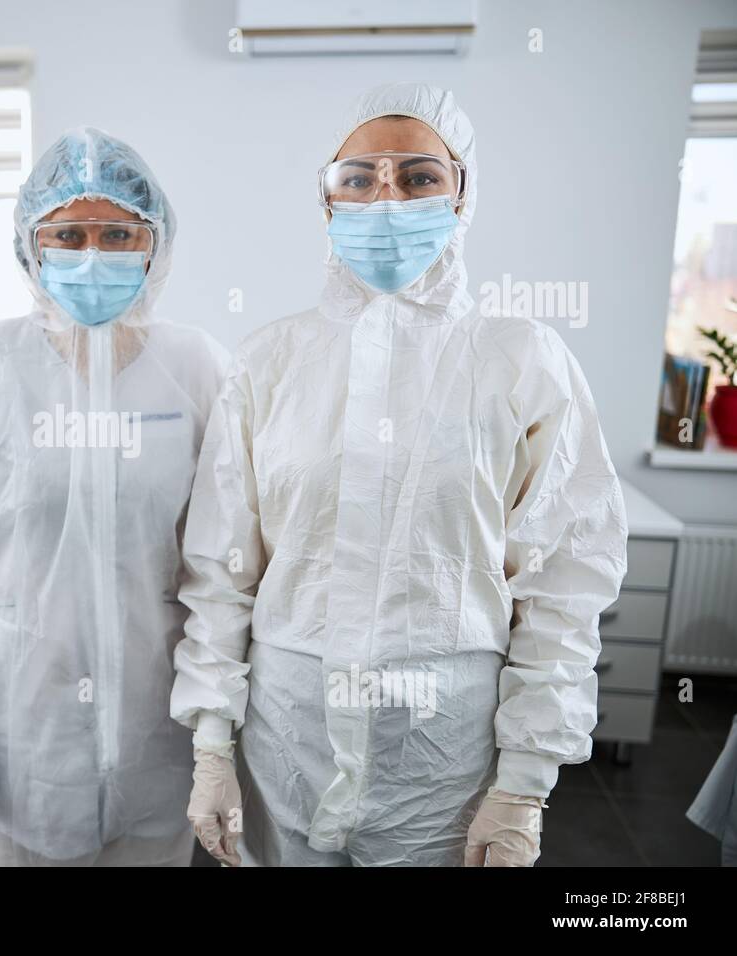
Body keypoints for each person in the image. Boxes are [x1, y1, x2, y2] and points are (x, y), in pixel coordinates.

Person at [171, 83, 629, 867]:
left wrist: (523, 784)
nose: (386, 197)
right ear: (326, 203)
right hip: (289, 742)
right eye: (359, 178)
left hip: (440, 759)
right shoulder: (269, 360)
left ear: (462, 194)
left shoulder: (523, 359)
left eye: (418, 176)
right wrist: (213, 744)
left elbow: (562, 584)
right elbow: (223, 569)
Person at [0, 127, 228, 866]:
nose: (92, 253)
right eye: (69, 234)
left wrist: (218, 723)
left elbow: (223, 568)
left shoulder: (196, 369)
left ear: (155, 246)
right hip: (19, 724)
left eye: (118, 233)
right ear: (31, 247)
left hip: (158, 722)